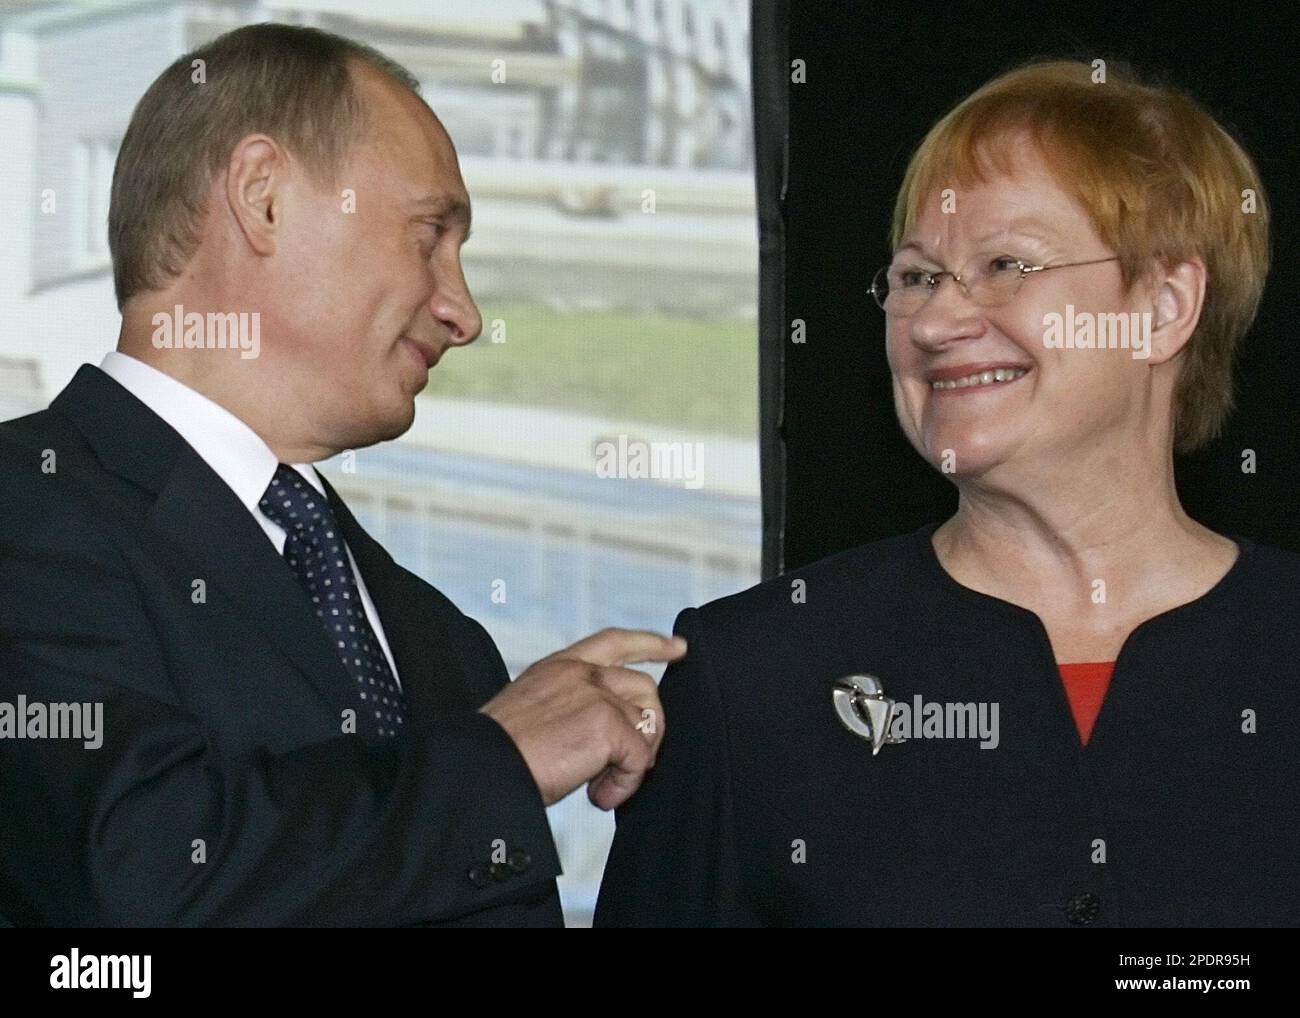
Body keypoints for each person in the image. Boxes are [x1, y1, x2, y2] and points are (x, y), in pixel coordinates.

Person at [0, 23, 678, 927]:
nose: (463, 312)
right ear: (263, 197)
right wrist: (500, 762)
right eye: (430, 235)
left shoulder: (444, 642)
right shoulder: (25, 507)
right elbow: (135, 878)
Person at [595, 59, 1299, 926]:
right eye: (917, 277)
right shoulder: (753, 678)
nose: (932, 323)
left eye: (1006, 264)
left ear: (1161, 308)